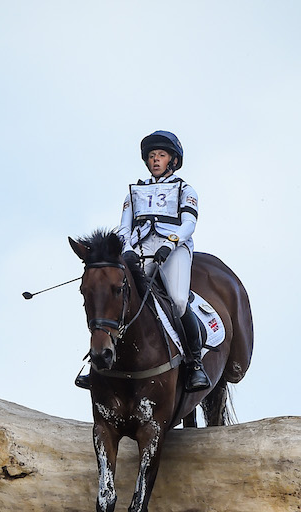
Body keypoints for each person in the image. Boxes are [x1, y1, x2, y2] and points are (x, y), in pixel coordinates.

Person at [76, 130, 210, 393]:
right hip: (139, 249)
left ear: (172, 160)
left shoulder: (185, 189)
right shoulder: (134, 193)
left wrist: (169, 243)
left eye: (161, 155)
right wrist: (126, 251)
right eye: (152, 156)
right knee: (116, 294)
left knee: (179, 301)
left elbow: (189, 224)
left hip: (174, 249)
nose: (155, 160)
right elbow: (124, 227)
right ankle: (96, 362)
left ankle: (195, 364)